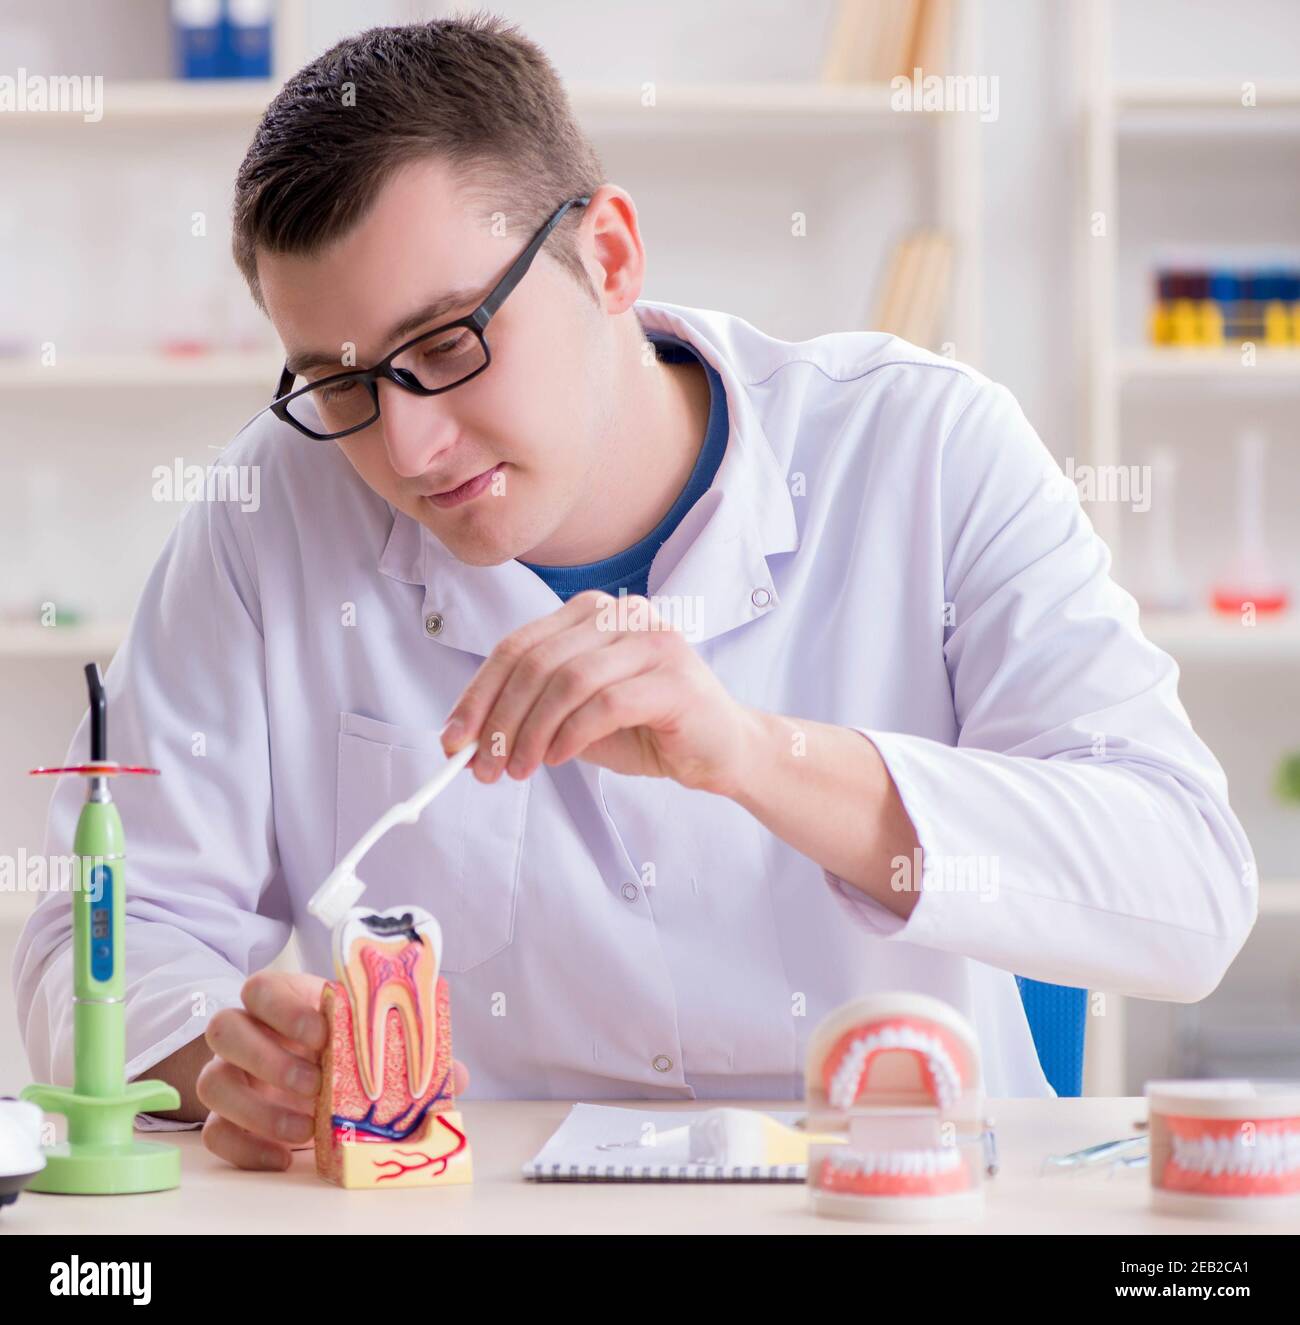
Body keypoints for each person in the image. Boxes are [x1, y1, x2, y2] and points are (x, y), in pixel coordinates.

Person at [14, 15, 1256, 1173]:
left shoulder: (923, 448)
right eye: (339, 383)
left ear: (607, 255)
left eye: (448, 345)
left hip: (880, 1190)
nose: (409, 448)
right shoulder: (274, 508)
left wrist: (760, 756)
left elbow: (1186, 894)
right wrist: (216, 1057)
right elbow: (100, 935)